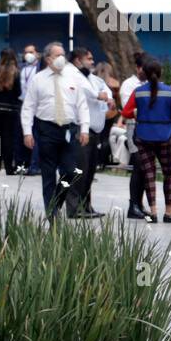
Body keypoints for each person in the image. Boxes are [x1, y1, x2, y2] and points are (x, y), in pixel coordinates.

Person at [20, 43, 90, 217]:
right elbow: (28, 107)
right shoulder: (38, 79)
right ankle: (52, 215)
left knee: (70, 172)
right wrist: (27, 132)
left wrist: (84, 128)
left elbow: (82, 104)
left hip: (68, 130)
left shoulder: (73, 76)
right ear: (48, 59)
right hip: (47, 129)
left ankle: (56, 202)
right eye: (57, 55)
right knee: (48, 174)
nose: (61, 58)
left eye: (63, 55)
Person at [119, 57, 171, 223]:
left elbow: (125, 112)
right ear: (160, 73)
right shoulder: (170, 91)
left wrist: (138, 113)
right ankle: (169, 212)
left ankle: (153, 212)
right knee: (169, 173)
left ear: (145, 74)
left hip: (143, 137)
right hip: (164, 136)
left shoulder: (138, 92)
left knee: (149, 174)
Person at [67, 48, 113, 218]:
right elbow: (87, 91)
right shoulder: (72, 76)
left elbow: (105, 88)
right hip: (80, 130)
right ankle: (74, 208)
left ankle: (86, 206)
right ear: (78, 61)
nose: (92, 62)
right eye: (89, 59)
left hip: (94, 131)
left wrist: (109, 97)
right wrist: (98, 95)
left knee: (89, 171)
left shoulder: (93, 78)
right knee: (79, 170)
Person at [119, 53, 148, 219]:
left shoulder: (149, 84)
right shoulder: (129, 85)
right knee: (138, 166)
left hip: (147, 129)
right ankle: (133, 205)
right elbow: (128, 109)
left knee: (144, 168)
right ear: (137, 68)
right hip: (133, 127)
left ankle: (139, 203)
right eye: (144, 67)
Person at [15, 43, 41, 173]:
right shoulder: (21, 69)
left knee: (36, 134)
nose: (28, 55)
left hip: (37, 105)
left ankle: (34, 165)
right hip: (23, 103)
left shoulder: (40, 69)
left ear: (37, 54)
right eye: (26, 52)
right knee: (23, 134)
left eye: (31, 52)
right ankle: (22, 164)